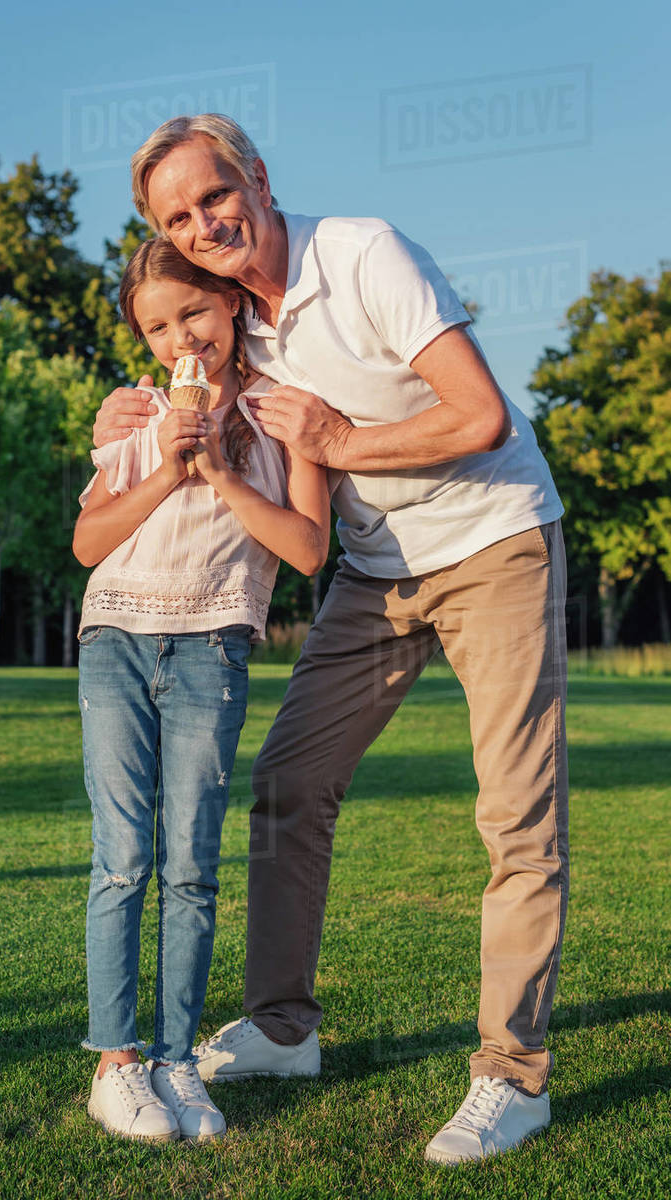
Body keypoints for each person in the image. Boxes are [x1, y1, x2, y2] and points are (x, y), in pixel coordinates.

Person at [92, 114, 569, 1166]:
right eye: (179, 215)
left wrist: (345, 441)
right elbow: (194, 398)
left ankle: (512, 1075)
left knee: (515, 814)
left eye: (216, 195)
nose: (206, 221)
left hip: (496, 541)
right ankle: (280, 1027)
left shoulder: (362, 252)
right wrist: (126, 424)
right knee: (288, 786)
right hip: (375, 569)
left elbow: (481, 414)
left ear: (256, 177)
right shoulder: (230, 323)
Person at [72, 235, 330, 1143]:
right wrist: (166, 465)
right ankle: (118, 1064)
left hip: (212, 647)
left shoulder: (282, 414)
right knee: (121, 860)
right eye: (155, 325)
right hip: (115, 641)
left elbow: (305, 549)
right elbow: (89, 542)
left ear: (229, 306)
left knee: (190, 866)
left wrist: (216, 469)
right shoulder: (136, 414)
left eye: (193, 312)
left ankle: (178, 1065)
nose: (180, 334)